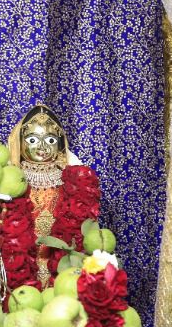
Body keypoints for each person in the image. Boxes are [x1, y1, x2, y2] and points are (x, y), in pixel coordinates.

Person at [6, 104, 101, 285]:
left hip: (63, 271)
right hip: (21, 268)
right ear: (19, 142)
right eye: (32, 140)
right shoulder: (11, 179)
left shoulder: (72, 181)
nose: (42, 147)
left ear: (59, 144)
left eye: (50, 140)